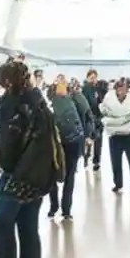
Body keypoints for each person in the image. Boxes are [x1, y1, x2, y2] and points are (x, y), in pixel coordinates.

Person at [0, 60, 50, 258]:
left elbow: (10, 141)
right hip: (38, 174)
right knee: (27, 226)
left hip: (18, 174)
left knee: (1, 220)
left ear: (7, 81)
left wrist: (1, 158)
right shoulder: (38, 99)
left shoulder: (13, 103)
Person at [46, 74, 94, 220]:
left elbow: (86, 114)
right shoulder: (65, 100)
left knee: (60, 174)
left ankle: (60, 207)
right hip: (66, 141)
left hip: (65, 142)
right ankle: (61, 208)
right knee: (63, 175)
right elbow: (87, 114)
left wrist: (88, 135)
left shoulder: (68, 99)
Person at [101, 78, 130, 195]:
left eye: (124, 88)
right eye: (119, 88)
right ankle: (118, 184)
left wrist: (123, 119)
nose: (122, 91)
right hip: (115, 136)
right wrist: (118, 119)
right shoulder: (109, 99)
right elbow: (104, 111)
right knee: (116, 162)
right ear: (116, 89)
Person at [84, 69, 105, 171]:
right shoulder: (85, 89)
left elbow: (101, 102)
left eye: (95, 78)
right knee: (89, 140)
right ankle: (86, 156)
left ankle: (96, 161)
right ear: (87, 78)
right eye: (91, 78)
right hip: (89, 118)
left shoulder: (98, 89)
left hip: (98, 118)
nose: (93, 80)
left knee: (99, 141)